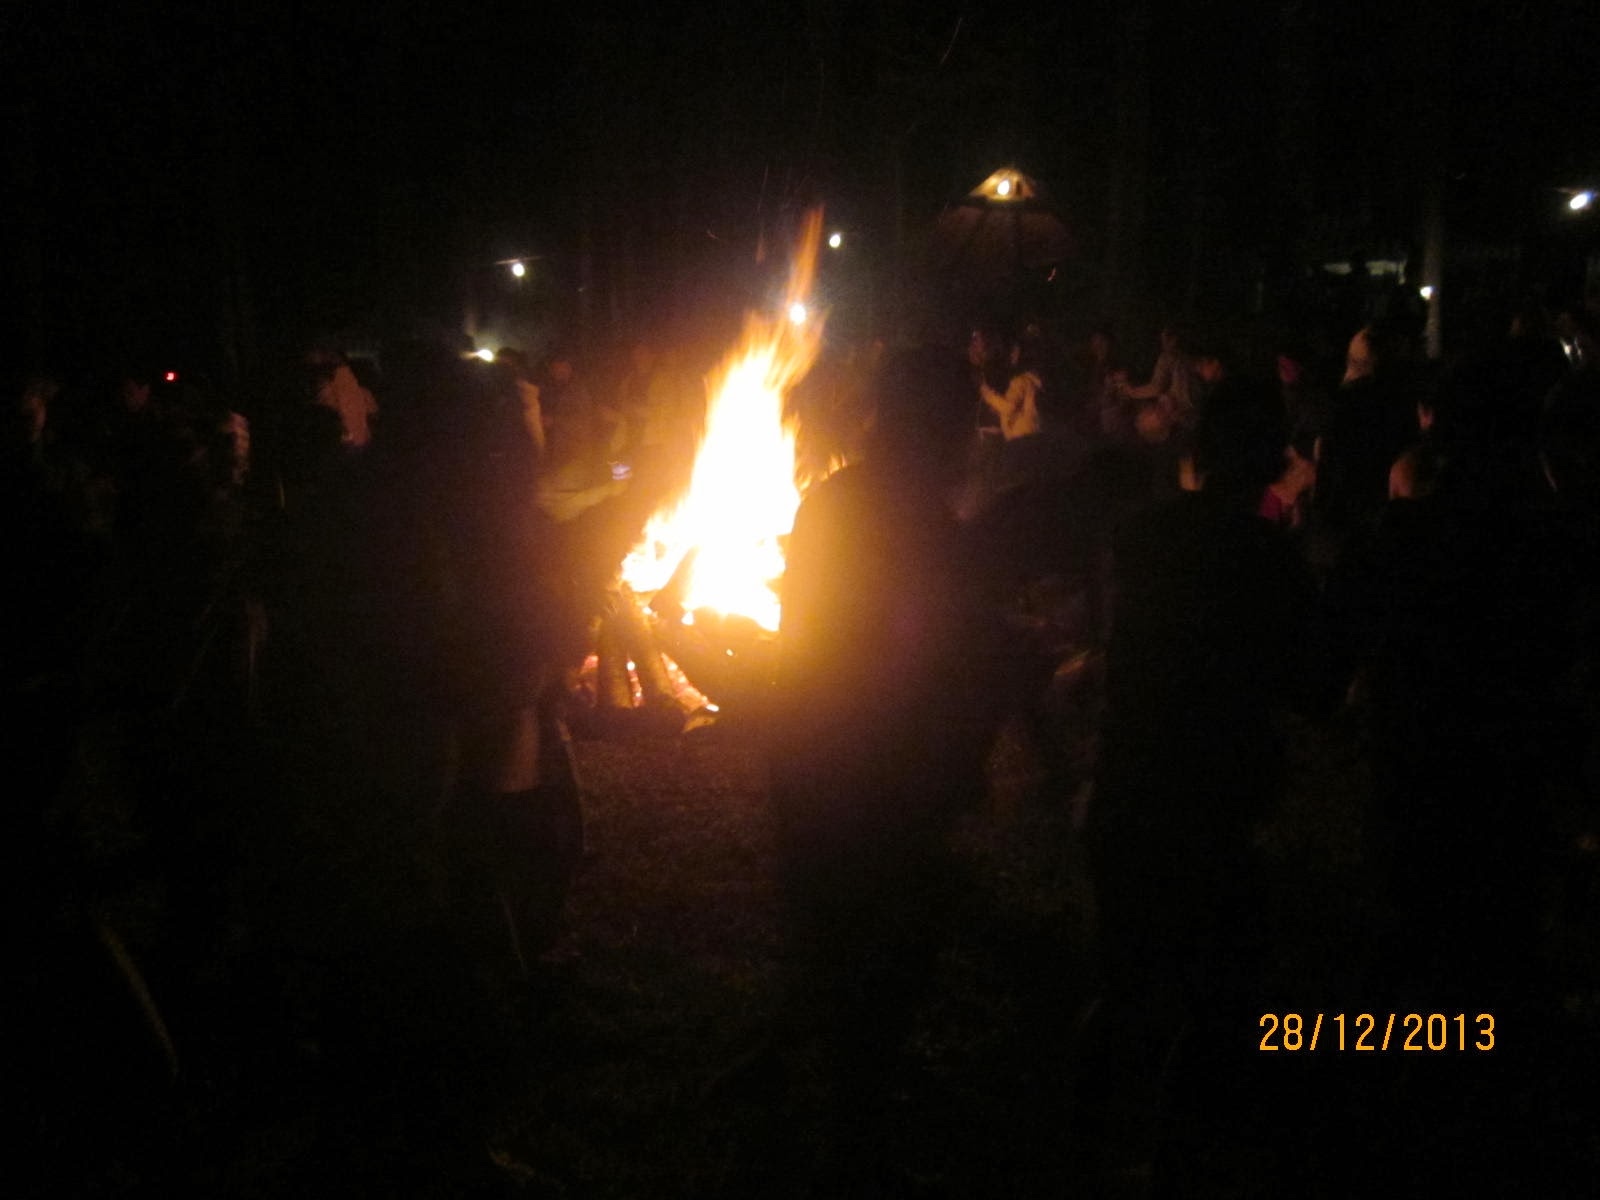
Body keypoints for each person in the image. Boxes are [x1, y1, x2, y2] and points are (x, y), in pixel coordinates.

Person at [764, 346, 1008, 1187]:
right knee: (884, 942)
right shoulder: (941, 536)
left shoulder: (832, 504)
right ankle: (856, 1111)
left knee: (831, 928)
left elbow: (805, 633)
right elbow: (952, 664)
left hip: (817, 753)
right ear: (944, 430)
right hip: (889, 771)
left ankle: (836, 1085)